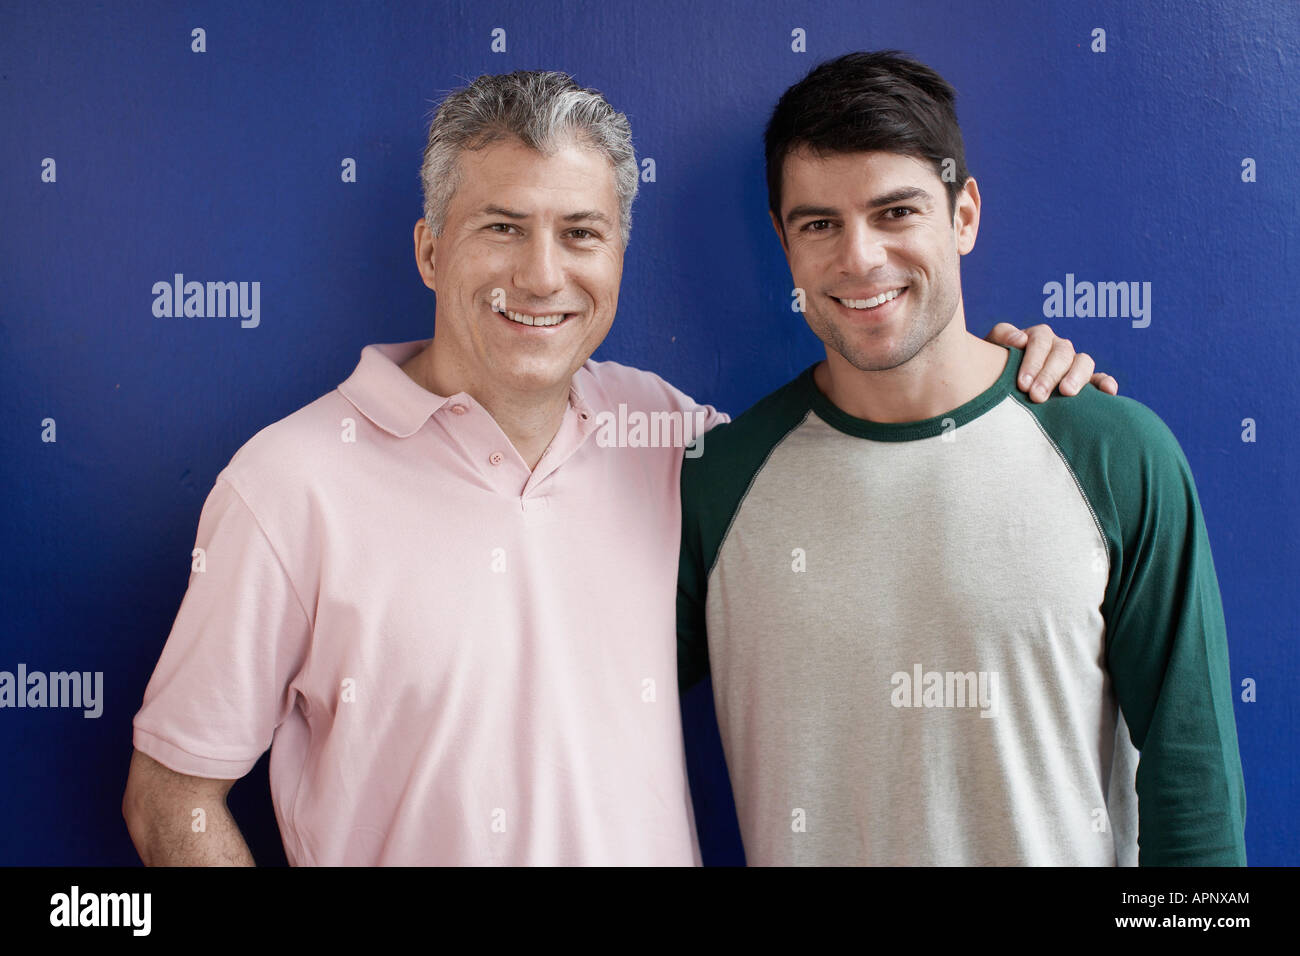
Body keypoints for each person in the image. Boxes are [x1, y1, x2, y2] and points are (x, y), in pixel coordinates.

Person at [122, 69, 1110, 866]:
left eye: (580, 233)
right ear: (430, 249)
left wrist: (1005, 376)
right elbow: (171, 794)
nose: (543, 275)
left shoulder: (675, 440)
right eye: (501, 227)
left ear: (619, 256)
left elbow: (859, 457)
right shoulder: (287, 485)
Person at [677, 51, 1246, 866]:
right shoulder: (717, 481)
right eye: (819, 224)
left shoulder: (1114, 453)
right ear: (784, 242)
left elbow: (1194, 797)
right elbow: (586, 721)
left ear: (964, 215)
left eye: (896, 212)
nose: (860, 257)